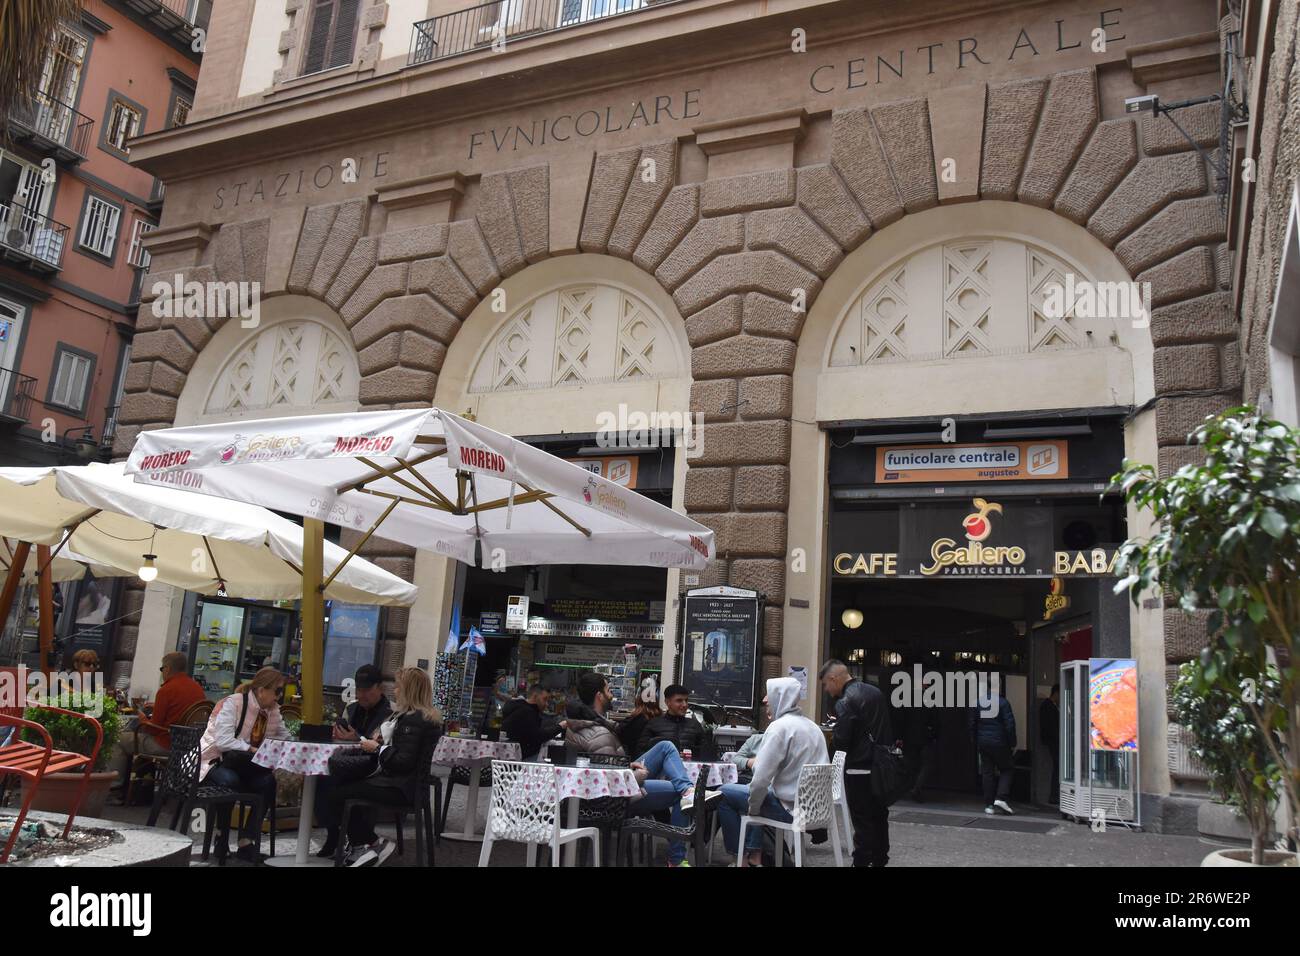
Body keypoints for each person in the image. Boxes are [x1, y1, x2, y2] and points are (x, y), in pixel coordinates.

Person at [317, 667, 444, 867]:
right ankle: (362, 845)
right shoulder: (423, 717)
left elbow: (403, 762)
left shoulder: (412, 720)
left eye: (399, 686)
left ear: (409, 690)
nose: (395, 690)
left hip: (400, 787)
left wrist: (378, 748)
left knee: (336, 794)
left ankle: (371, 843)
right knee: (342, 788)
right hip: (408, 786)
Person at [716, 678, 827, 866]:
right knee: (753, 797)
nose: (766, 706)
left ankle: (740, 859)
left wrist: (753, 810)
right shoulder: (813, 727)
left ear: (779, 698)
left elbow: (760, 780)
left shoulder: (779, 728)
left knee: (724, 793)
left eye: (768, 701)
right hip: (816, 811)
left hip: (791, 811)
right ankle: (754, 858)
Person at [198, 667, 288, 863]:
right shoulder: (234, 703)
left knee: (268, 783)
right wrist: (250, 749)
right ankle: (221, 837)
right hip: (216, 761)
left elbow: (284, 736)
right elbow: (222, 741)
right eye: (278, 691)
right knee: (230, 781)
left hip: (248, 766)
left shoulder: (273, 711)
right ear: (262, 690)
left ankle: (246, 841)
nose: (280, 696)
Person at [820, 659, 893, 867]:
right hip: (881, 764)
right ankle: (880, 859)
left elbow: (843, 741)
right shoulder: (875, 692)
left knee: (862, 819)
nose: (827, 689)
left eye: (826, 684)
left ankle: (861, 861)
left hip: (858, 767)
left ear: (834, 679)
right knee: (880, 815)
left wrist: (834, 738)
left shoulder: (845, 702)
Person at [118, 652, 205, 790]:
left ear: (167, 669)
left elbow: (153, 729)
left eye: (162, 669)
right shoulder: (197, 688)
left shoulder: (167, 689)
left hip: (165, 744)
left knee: (119, 739)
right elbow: (182, 708)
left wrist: (143, 719)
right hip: (188, 746)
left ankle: (115, 786)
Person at [970, 676, 1016, 816]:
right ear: (999, 686)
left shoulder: (978, 703)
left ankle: (989, 805)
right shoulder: (1003, 703)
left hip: (983, 743)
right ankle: (1001, 797)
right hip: (1000, 742)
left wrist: (975, 741)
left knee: (987, 773)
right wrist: (1013, 743)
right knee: (1007, 768)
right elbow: (1010, 725)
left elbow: (972, 724)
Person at [565, 671, 625, 756]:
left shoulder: (576, 723)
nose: (611, 696)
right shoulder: (600, 735)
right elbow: (609, 768)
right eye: (608, 691)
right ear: (599, 696)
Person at [635, 684, 706, 756]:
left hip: (689, 766)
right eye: (679, 701)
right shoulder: (654, 724)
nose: (684, 705)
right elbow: (641, 752)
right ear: (667, 702)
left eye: (686, 700)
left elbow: (704, 753)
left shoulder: (694, 725)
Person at [501, 684, 566, 760]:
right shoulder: (527, 712)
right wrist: (560, 727)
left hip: (510, 757)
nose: (546, 704)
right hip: (522, 759)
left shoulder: (519, 708)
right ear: (535, 696)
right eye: (544, 699)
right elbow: (539, 737)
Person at [334, 664, 392, 742]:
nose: (361, 694)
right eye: (358, 689)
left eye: (366, 690)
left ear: (380, 688)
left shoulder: (394, 712)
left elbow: (388, 746)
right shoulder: (350, 707)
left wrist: (358, 739)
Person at [616, 679, 661, 756]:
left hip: (634, 760)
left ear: (638, 700)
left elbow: (622, 736)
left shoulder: (635, 720)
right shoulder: (660, 719)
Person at [1039, 684, 1060, 804]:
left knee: (1057, 768)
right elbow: (1051, 727)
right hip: (1053, 742)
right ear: (1056, 693)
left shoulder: (1049, 706)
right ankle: (1054, 796)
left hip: (1051, 741)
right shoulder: (1048, 706)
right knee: (1057, 768)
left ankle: (1054, 795)